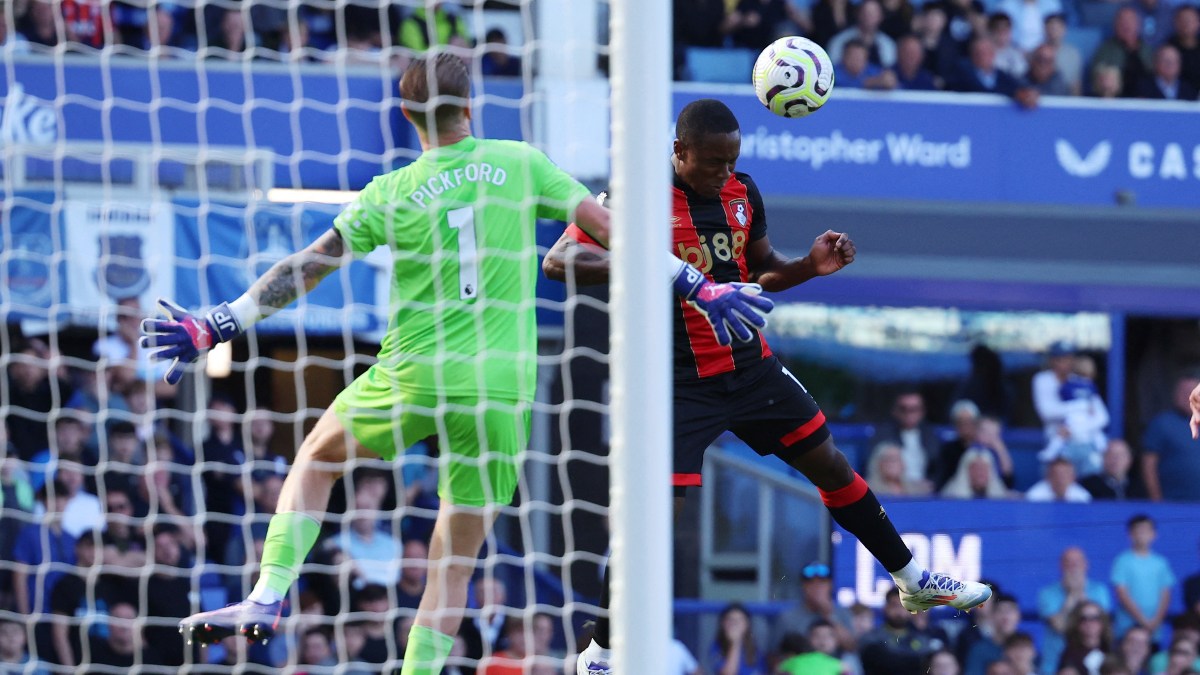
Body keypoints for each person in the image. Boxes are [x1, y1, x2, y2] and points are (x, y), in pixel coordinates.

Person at [149, 55, 768, 675]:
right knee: (453, 565)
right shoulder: (520, 162)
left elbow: (308, 265)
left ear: (406, 114)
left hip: (414, 373)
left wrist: (219, 324)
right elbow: (617, 231)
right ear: (471, 106)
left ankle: (267, 594)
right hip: (499, 388)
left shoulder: (389, 191)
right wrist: (698, 285)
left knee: (316, 459)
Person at [544, 98, 992, 674]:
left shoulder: (742, 192)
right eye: (713, 162)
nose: (725, 173)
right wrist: (640, 261)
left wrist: (808, 265)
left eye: (732, 161)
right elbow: (559, 261)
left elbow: (758, 270)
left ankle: (911, 580)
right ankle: (602, 652)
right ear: (679, 152)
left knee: (831, 464)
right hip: (677, 383)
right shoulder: (635, 197)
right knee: (654, 521)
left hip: (750, 367)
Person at [1037, 547, 1112, 675]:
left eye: (1077, 562)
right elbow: (1059, 627)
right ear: (1061, 566)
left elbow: (1100, 626)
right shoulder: (1047, 593)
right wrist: (1072, 595)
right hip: (1055, 662)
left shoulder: (1100, 590)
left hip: (1093, 661)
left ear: (1086, 565)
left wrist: (1081, 593)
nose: (1073, 567)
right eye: (1068, 563)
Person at [1111, 514, 1176, 642]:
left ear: (1154, 534)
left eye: (1146, 531)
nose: (1142, 535)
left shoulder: (1161, 562)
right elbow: (1121, 593)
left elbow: (1166, 594)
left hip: (1154, 628)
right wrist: (1142, 620)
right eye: (1138, 531)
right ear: (1130, 535)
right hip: (1127, 627)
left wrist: (1156, 620)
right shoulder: (1122, 561)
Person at [858, 587, 943, 675]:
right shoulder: (871, 638)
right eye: (895, 606)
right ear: (885, 608)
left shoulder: (922, 638)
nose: (899, 611)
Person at [1143, 372, 1200, 501]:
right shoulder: (1162, 423)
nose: (1188, 397)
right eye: (1183, 392)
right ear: (1175, 395)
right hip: (1174, 503)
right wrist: (1156, 499)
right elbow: (1149, 464)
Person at [708, 603, 766, 675]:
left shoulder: (754, 646)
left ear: (747, 624)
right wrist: (735, 642)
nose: (734, 625)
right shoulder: (716, 647)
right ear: (723, 623)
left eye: (738, 620)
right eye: (730, 620)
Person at [1079, 439, 1144, 501]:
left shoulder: (1139, 487)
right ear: (1103, 458)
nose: (1115, 460)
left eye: (1121, 455)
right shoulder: (1088, 485)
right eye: (1110, 454)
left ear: (1129, 460)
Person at [1131, 44, 1199, 100]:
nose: (1170, 65)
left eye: (1174, 61)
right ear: (1156, 63)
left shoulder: (1188, 91)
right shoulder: (1144, 89)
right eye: (1166, 61)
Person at [1026, 458, 1092, 503]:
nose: (1061, 479)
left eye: (1065, 474)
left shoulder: (1082, 497)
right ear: (1048, 477)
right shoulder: (1034, 496)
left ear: (1073, 477)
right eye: (1057, 474)